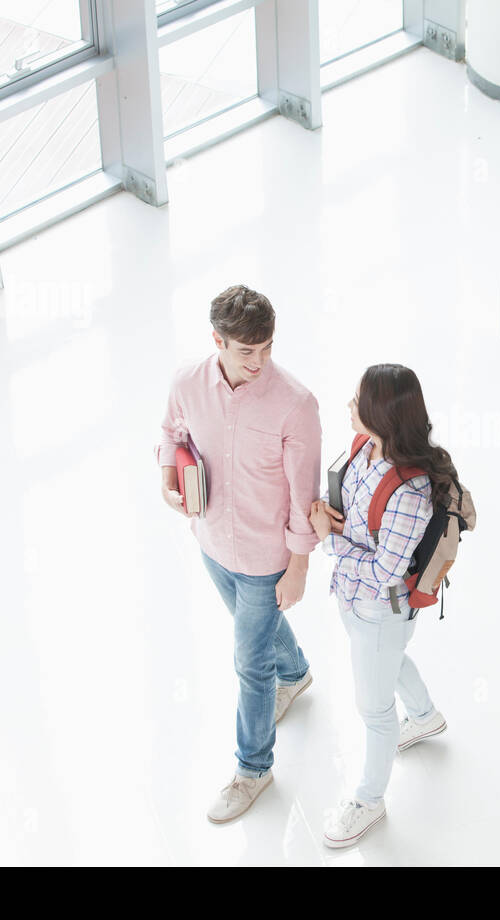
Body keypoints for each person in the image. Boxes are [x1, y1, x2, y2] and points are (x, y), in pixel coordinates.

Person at [155, 284, 322, 823]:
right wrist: (167, 477)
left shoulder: (295, 404)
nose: (259, 361)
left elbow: (305, 498)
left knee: (249, 663)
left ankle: (253, 768)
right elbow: (171, 432)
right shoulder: (187, 381)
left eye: (267, 348)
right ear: (218, 342)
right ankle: (295, 674)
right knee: (259, 633)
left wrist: (297, 567)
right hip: (210, 541)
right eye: (246, 351)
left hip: (265, 556)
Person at [308, 364, 454, 849]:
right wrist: (326, 515)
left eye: (357, 401)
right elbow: (351, 517)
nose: (349, 406)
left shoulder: (411, 492)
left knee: (374, 710)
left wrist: (329, 541)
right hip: (358, 602)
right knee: (389, 659)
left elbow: (383, 574)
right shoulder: (364, 448)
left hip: (378, 606)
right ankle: (426, 716)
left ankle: (369, 800)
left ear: (382, 416)